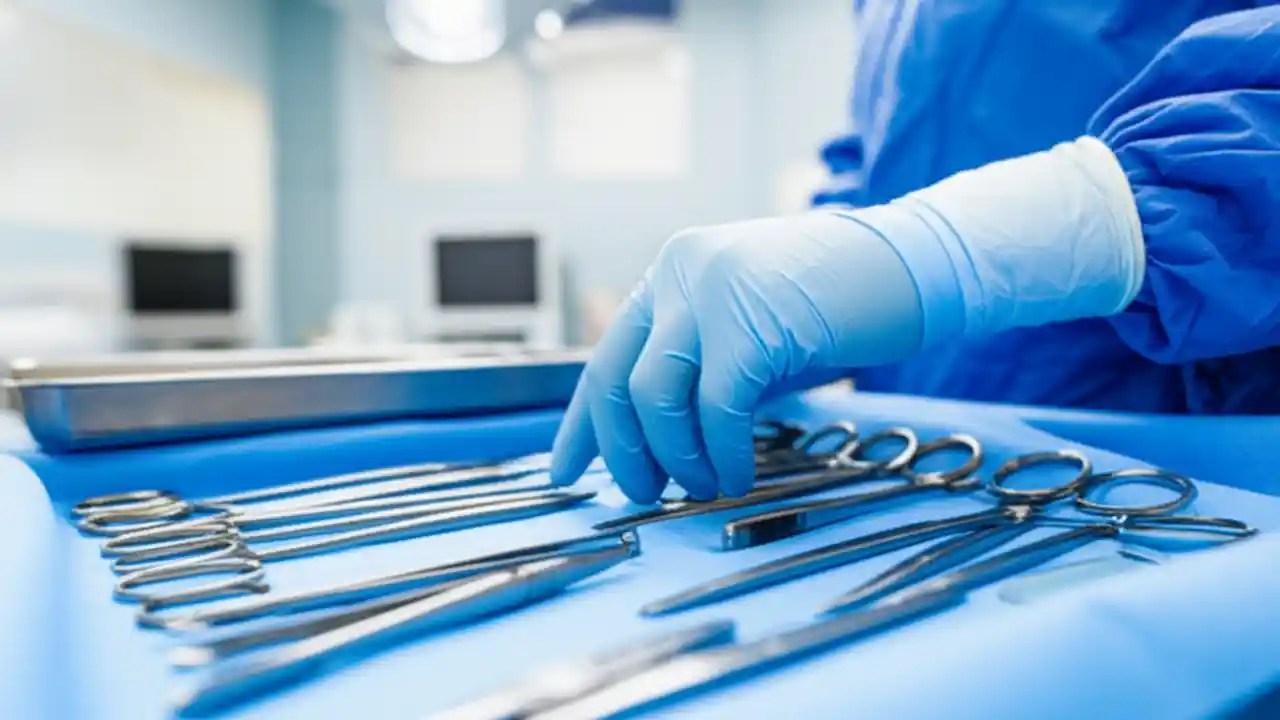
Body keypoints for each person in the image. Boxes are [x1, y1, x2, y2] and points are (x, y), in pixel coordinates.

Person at [551, 2, 1280, 503]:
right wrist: (825, 269)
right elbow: (884, 155)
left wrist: (1099, 219)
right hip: (924, 460)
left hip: (1180, 465)